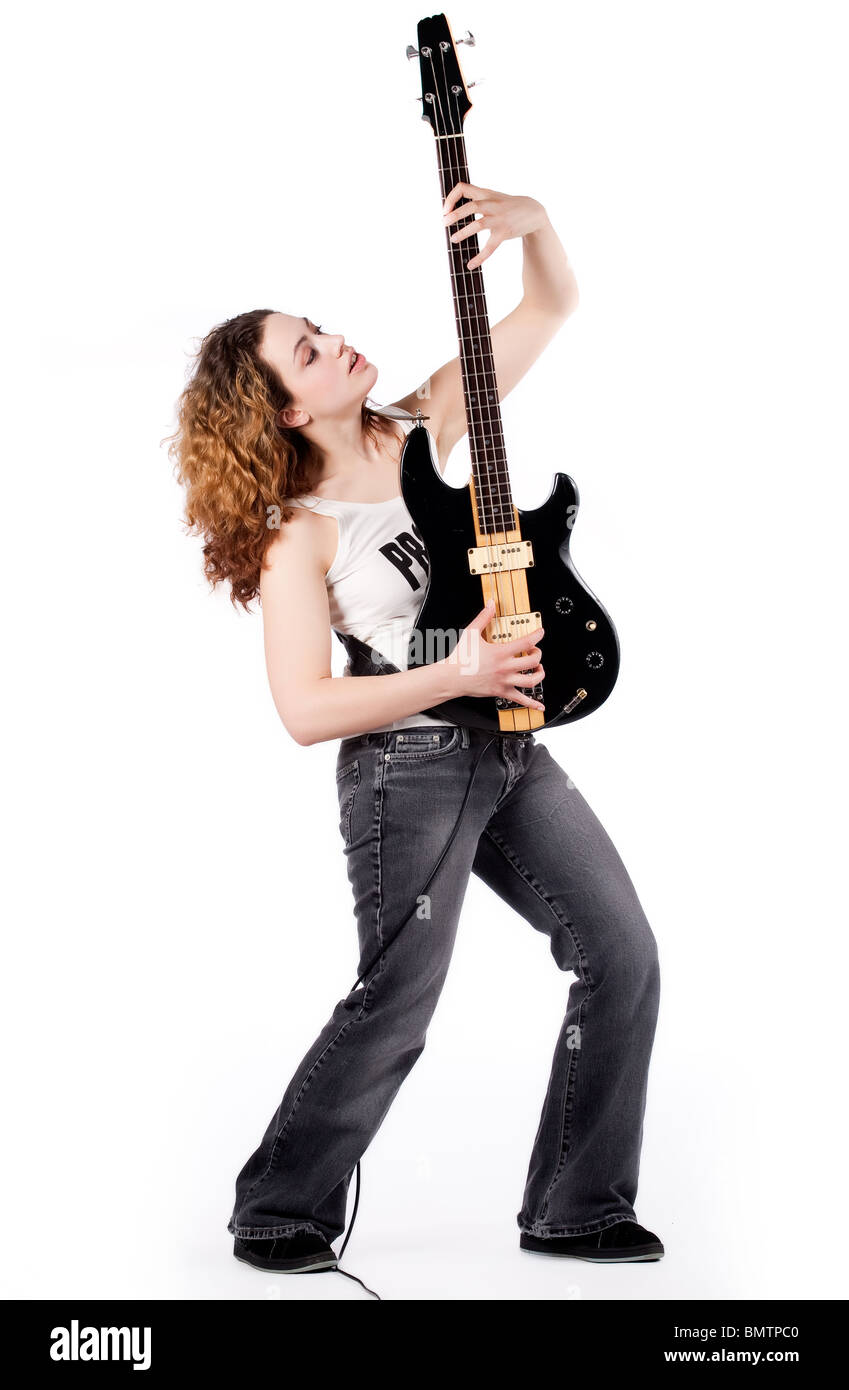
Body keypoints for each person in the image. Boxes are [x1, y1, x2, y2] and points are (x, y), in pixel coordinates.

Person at [167, 186, 663, 1276]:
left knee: (621, 951)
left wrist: (530, 220)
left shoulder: (422, 422)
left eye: (323, 328)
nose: (336, 342)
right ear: (285, 409)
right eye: (308, 349)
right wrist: (458, 668)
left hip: (512, 740)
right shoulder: (296, 532)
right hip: (408, 765)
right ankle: (277, 1210)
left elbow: (551, 304)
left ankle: (576, 1208)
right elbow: (304, 707)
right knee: (400, 995)